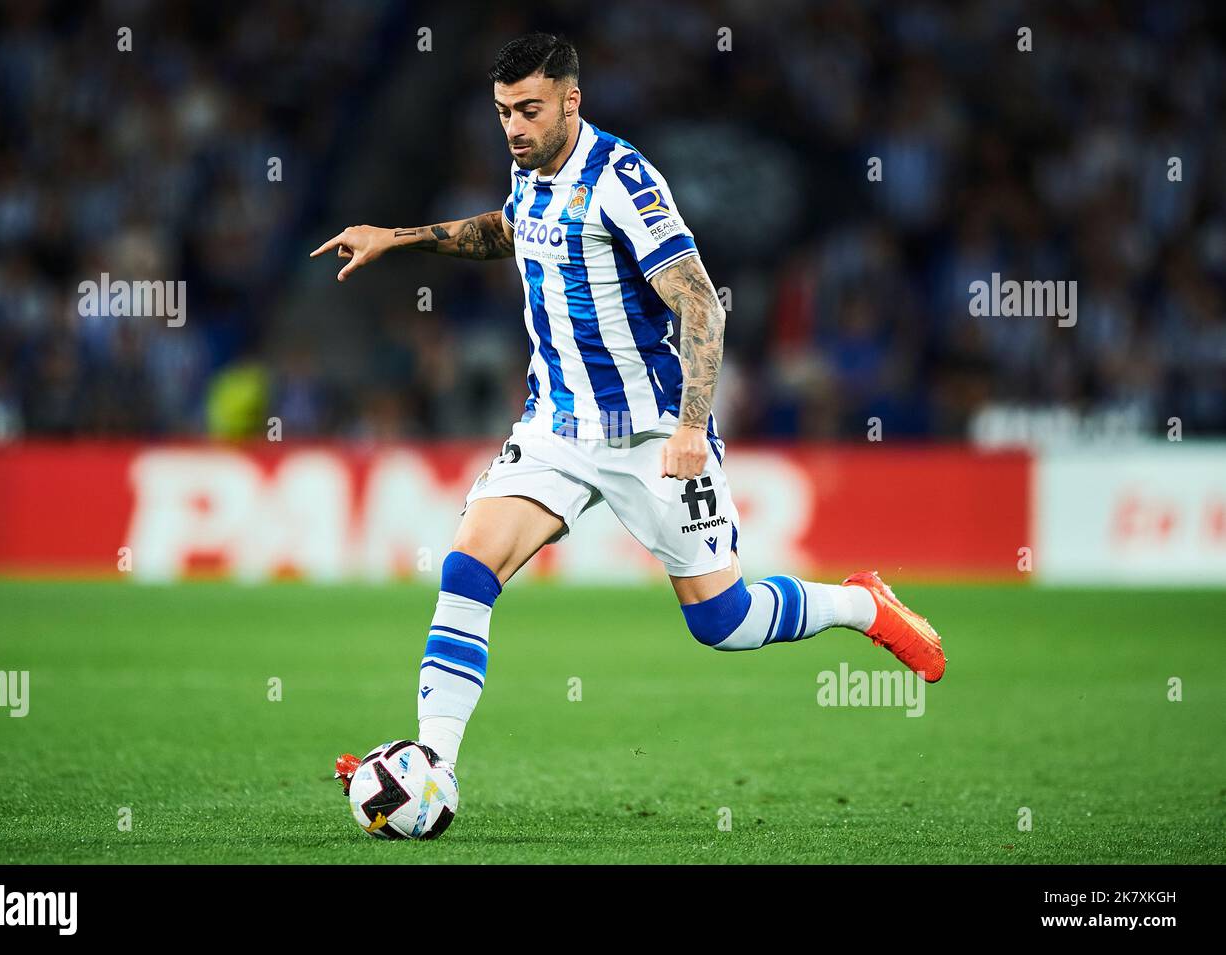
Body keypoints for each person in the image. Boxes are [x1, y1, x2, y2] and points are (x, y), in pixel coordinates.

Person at [313, 33, 945, 792]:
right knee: (468, 567)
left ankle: (859, 604)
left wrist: (690, 426)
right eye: (503, 111)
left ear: (571, 101)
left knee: (724, 622)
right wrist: (399, 238)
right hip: (555, 426)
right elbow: (511, 230)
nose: (513, 127)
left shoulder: (622, 179)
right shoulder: (528, 167)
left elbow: (701, 302)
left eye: (529, 110)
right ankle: (433, 764)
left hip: (649, 431)